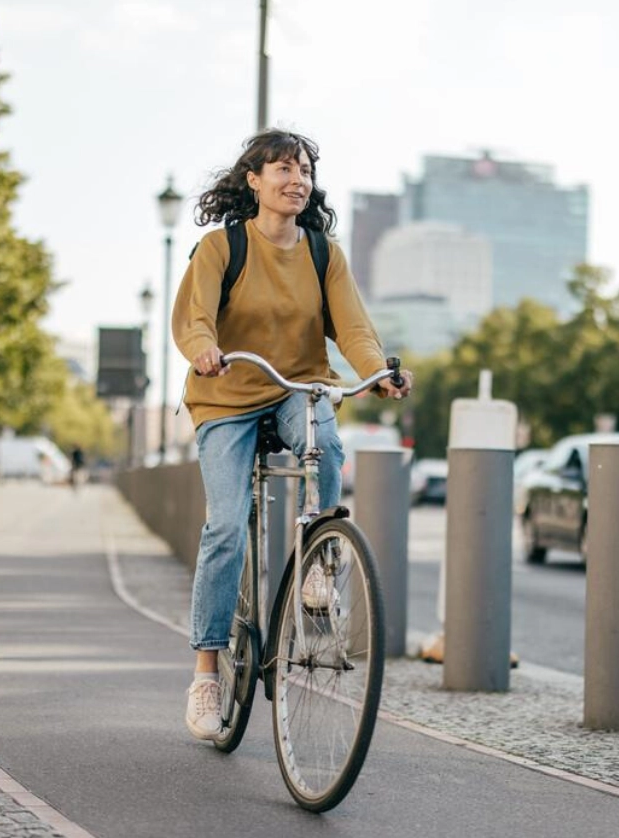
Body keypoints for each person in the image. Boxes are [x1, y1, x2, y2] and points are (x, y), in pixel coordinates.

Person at [171, 129, 412, 740]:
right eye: (281, 168)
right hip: (226, 392)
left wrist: (378, 373)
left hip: (293, 385)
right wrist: (204, 350)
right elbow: (194, 316)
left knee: (327, 442)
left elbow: (353, 329)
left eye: (303, 169)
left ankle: (320, 564)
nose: (295, 178)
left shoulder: (323, 252)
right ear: (253, 181)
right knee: (227, 524)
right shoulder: (222, 246)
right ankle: (205, 674)